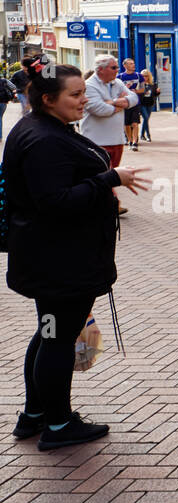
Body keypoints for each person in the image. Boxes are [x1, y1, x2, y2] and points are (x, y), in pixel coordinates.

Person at [4, 58, 149, 450]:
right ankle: (57, 424)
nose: (84, 100)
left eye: (84, 92)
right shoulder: (44, 140)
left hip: (54, 260)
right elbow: (54, 202)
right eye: (76, 94)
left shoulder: (42, 128)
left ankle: (35, 415)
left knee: (49, 332)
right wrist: (109, 178)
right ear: (49, 99)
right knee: (56, 338)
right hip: (60, 264)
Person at [82, 55, 138, 197]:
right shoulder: (89, 86)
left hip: (116, 140)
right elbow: (100, 110)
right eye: (114, 67)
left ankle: (112, 203)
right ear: (101, 69)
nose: (117, 70)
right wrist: (121, 103)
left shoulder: (117, 82)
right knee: (101, 176)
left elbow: (134, 98)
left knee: (112, 175)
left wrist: (111, 102)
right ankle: (111, 204)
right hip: (97, 142)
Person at [117, 57, 143, 151]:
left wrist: (136, 90)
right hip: (124, 103)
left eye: (133, 63)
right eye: (131, 63)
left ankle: (135, 142)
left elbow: (143, 89)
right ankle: (130, 140)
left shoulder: (139, 75)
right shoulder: (119, 77)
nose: (133, 65)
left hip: (135, 102)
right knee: (127, 124)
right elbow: (116, 91)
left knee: (135, 123)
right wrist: (125, 88)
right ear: (125, 66)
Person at [137, 69, 158, 143]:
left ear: (149, 77)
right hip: (142, 104)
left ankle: (142, 135)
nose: (144, 77)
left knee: (146, 120)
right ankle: (148, 136)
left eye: (146, 76)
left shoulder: (153, 84)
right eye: (142, 76)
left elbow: (154, 95)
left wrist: (158, 92)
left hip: (150, 104)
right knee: (146, 118)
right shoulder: (139, 84)